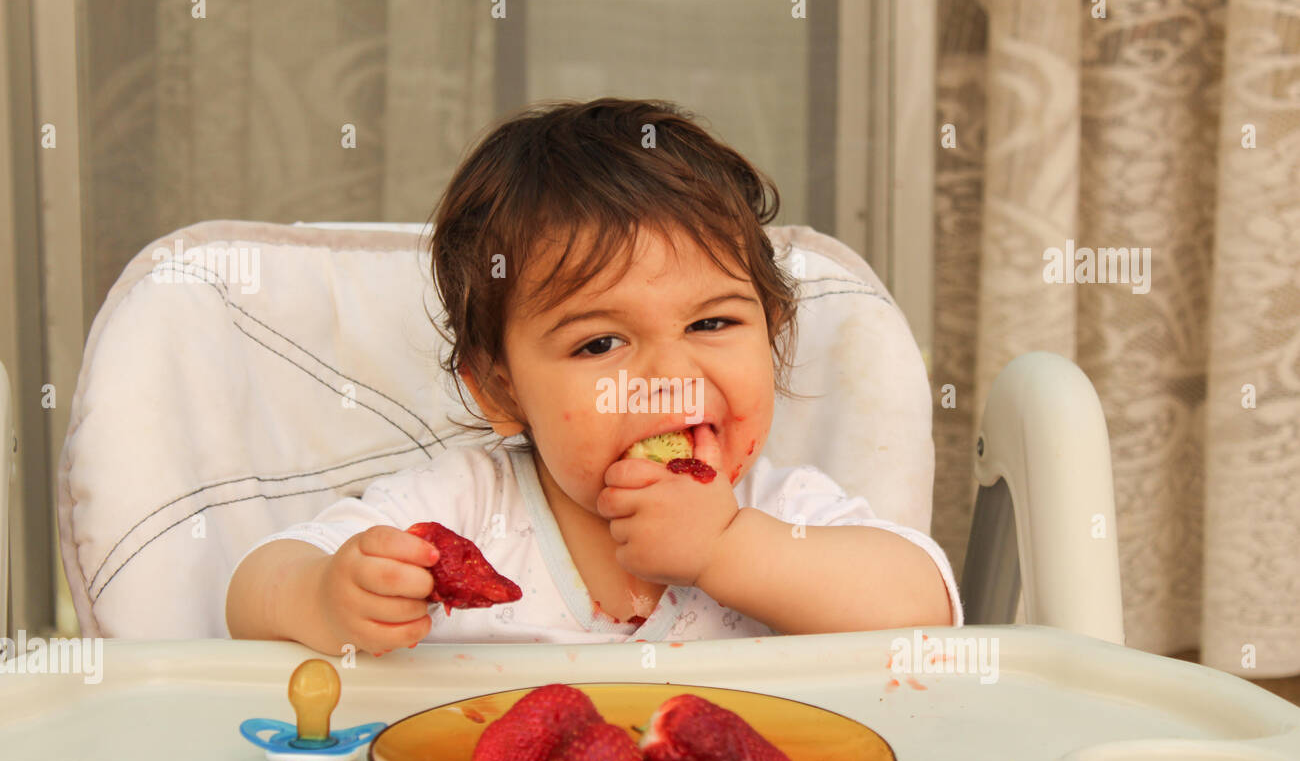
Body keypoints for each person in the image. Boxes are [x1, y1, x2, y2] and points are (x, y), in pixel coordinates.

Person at [225, 97, 961, 657]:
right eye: (601, 342)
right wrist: (326, 598)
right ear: (502, 391)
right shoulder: (466, 506)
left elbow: (924, 610)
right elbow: (255, 587)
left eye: (711, 323)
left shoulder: (781, 511)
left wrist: (726, 548)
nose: (669, 375)